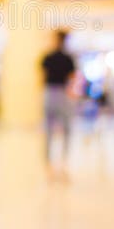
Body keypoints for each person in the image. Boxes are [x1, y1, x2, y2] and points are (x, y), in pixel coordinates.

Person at [41, 30, 77, 177]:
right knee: (64, 129)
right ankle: (60, 161)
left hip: (52, 93)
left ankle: (53, 162)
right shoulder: (67, 58)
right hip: (60, 93)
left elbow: (42, 76)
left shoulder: (49, 57)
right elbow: (72, 77)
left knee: (51, 129)